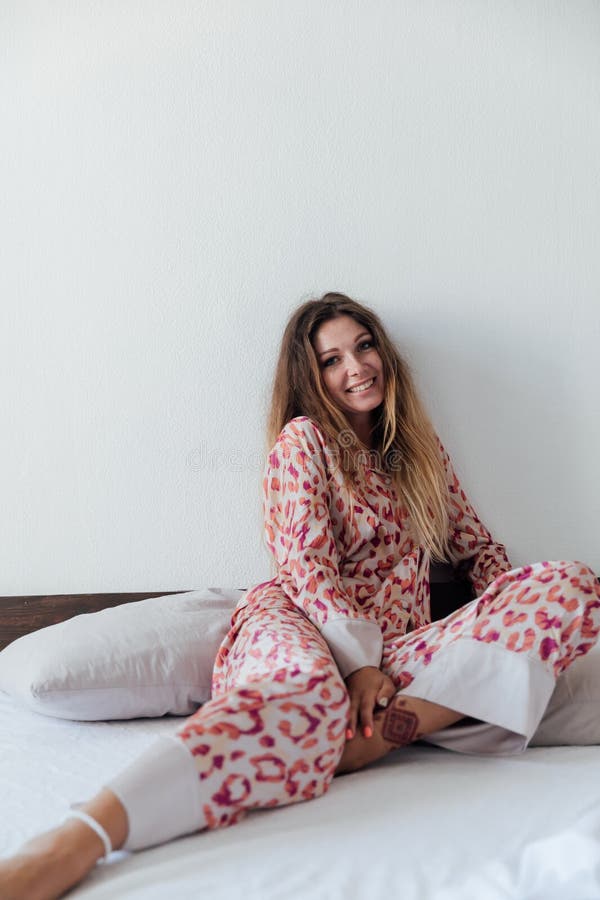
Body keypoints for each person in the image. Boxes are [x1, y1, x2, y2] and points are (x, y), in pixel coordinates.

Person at [2, 293, 599, 899]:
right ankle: (79, 837)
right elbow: (305, 563)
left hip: (399, 656)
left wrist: (508, 613)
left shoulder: (418, 450)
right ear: (311, 377)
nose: (356, 367)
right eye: (332, 359)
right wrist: (360, 665)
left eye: (364, 347)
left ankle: (376, 739)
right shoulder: (303, 441)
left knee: (571, 584)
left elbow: (477, 545)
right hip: (306, 622)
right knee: (307, 693)